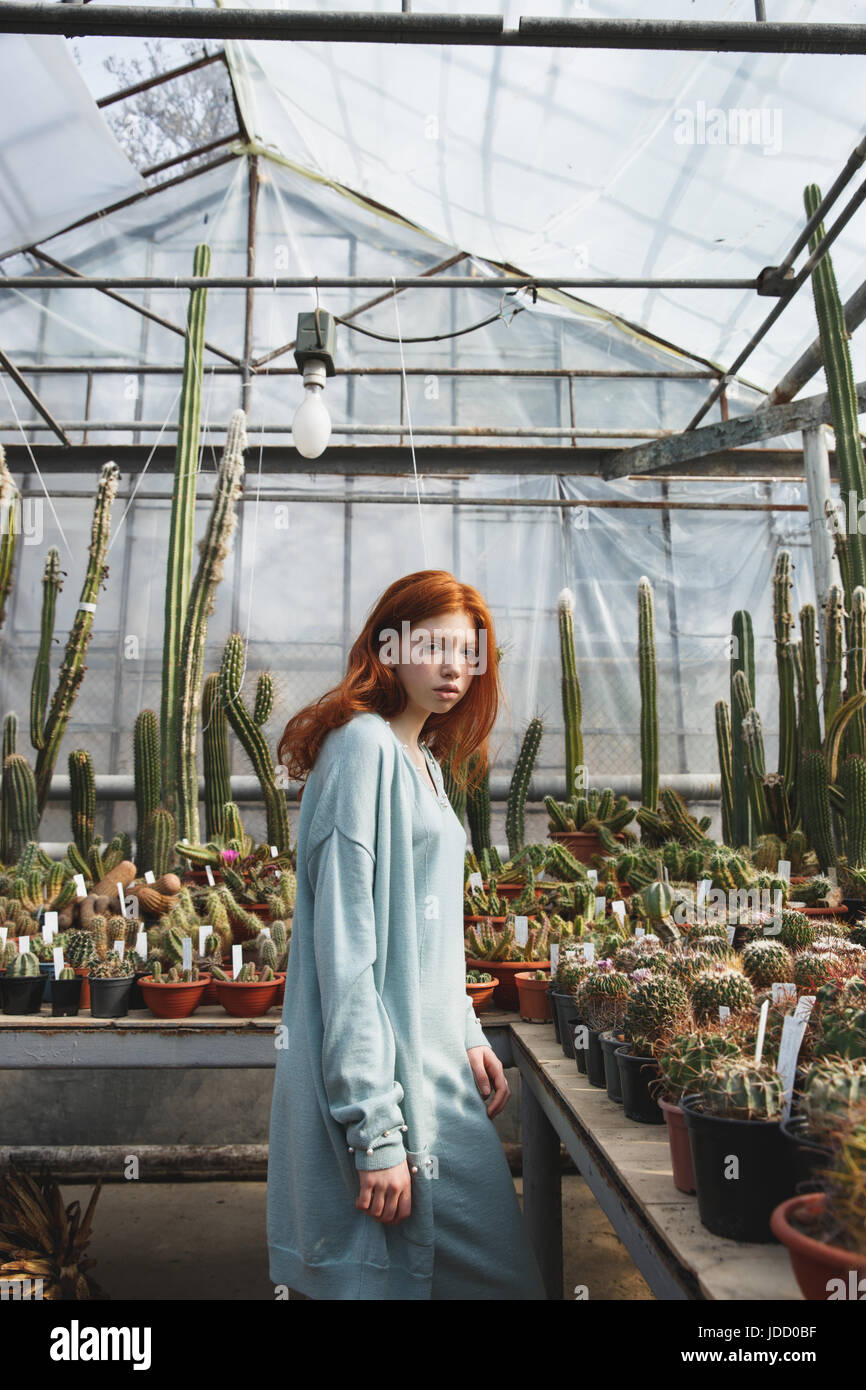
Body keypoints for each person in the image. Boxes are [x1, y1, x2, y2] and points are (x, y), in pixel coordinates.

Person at [267, 569, 547, 1301]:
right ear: (387, 648)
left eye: (469, 652)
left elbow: (429, 937)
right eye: (434, 646)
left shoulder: (421, 760)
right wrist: (375, 1132)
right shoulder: (363, 750)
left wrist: (466, 1028)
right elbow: (348, 960)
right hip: (394, 1093)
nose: (455, 667)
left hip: (438, 1075)